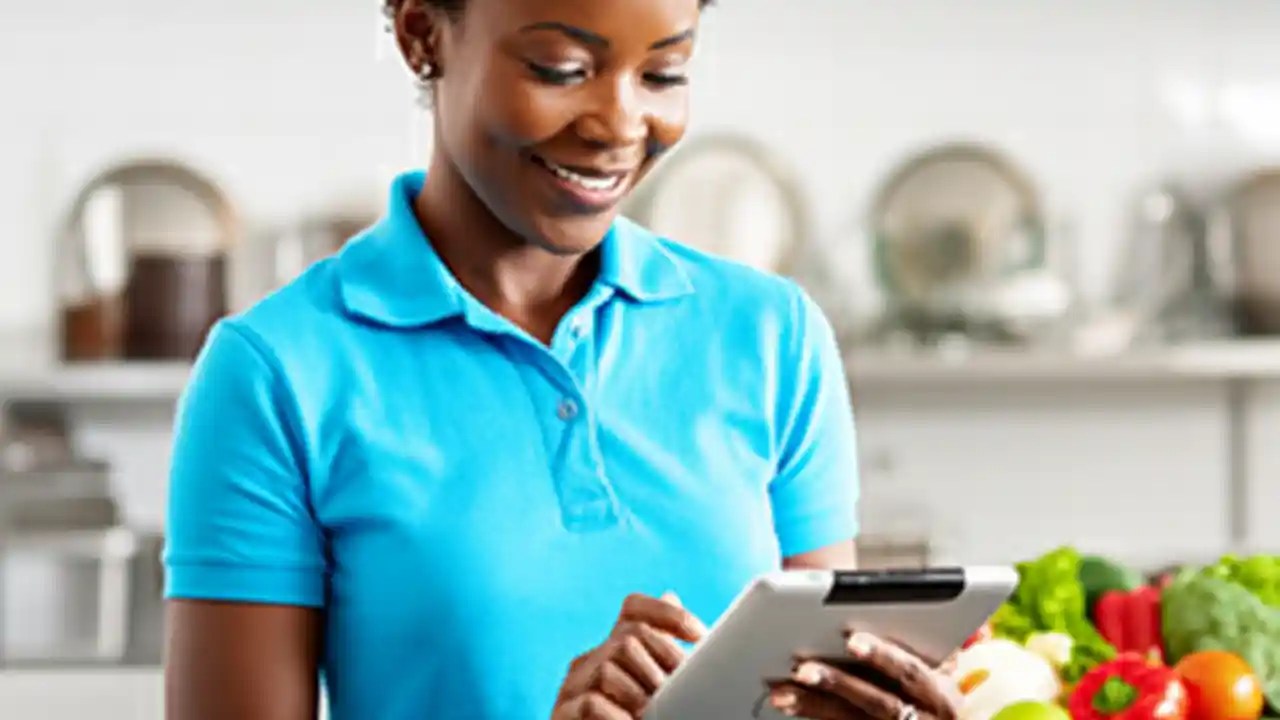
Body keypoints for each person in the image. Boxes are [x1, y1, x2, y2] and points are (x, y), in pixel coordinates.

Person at [162, 0, 962, 718]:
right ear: (420, 34)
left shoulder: (772, 336)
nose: (618, 124)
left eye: (662, 73)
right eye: (561, 70)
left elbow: (815, 686)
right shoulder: (275, 374)